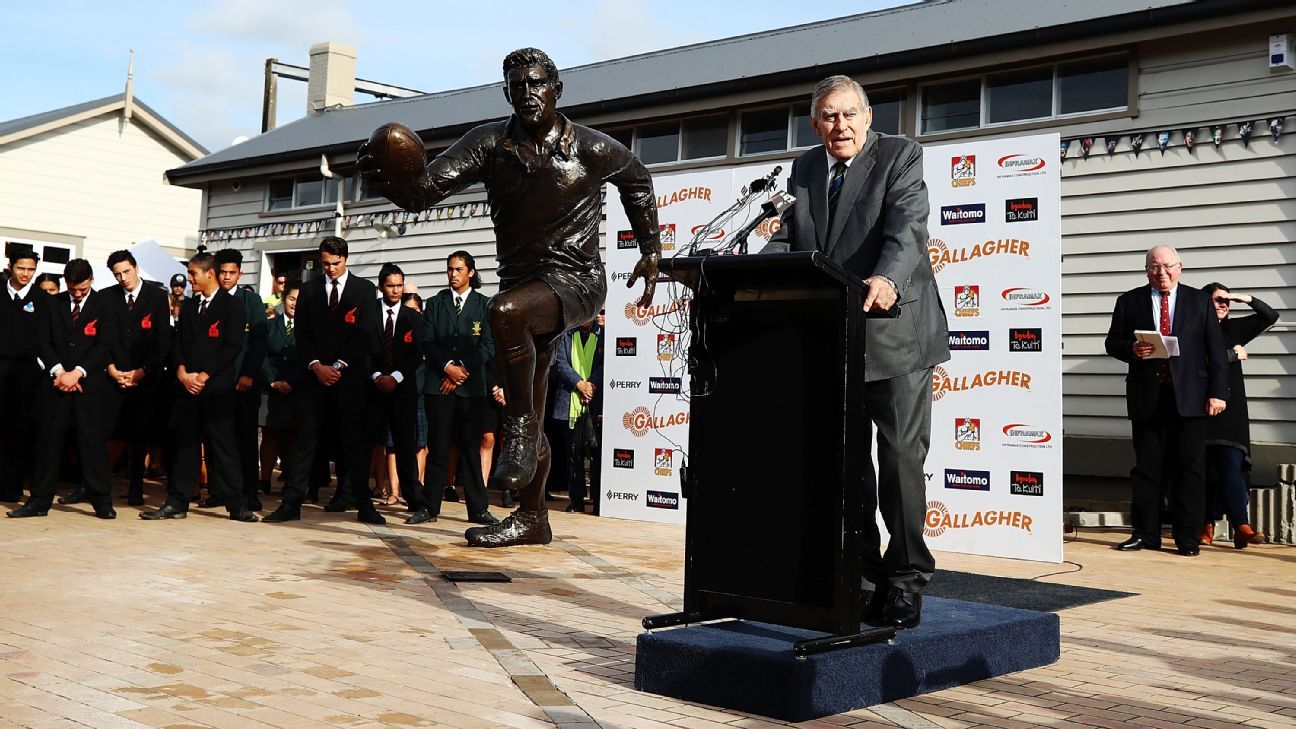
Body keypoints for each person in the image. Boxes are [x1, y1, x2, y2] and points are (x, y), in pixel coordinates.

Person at [360, 47, 660, 546]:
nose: (527, 93)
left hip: (578, 281)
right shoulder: (490, 144)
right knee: (533, 393)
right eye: (517, 86)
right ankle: (533, 516)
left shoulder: (589, 147)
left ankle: (518, 432)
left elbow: (638, 181)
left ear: (556, 89)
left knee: (504, 318)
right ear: (506, 94)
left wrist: (650, 251)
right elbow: (423, 191)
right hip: (526, 294)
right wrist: (386, 176)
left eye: (536, 83)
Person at [761, 75, 950, 630]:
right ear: (815, 122)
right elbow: (793, 238)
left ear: (867, 117)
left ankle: (907, 578)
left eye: (848, 115)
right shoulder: (803, 168)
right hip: (833, 337)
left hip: (895, 335)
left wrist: (887, 278)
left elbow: (907, 230)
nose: (839, 126)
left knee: (897, 464)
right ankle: (862, 575)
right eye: (827, 116)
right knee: (847, 471)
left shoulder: (900, 156)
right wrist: (759, 256)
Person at [1105, 245, 1229, 557]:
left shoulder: (1199, 301)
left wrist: (1218, 393)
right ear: (1146, 270)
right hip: (1148, 396)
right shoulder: (1129, 300)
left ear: (1180, 267)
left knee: (1190, 468)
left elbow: (1216, 351)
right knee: (1147, 469)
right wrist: (1132, 348)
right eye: (1154, 267)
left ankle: (1187, 536)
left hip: (1190, 398)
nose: (1162, 273)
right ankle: (1145, 534)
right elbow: (1112, 342)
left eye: (1167, 267)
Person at [263, 237, 386, 525]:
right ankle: (291, 503)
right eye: (325, 263)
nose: (330, 268)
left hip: (349, 379)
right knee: (306, 442)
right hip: (314, 379)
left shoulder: (364, 290)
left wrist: (339, 365)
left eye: (335, 263)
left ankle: (363, 504)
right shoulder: (309, 289)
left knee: (354, 444)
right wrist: (317, 365)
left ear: (345, 259)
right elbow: (302, 333)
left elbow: (365, 334)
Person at [141, 252, 256, 522]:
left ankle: (237, 504)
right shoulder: (191, 306)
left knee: (223, 447)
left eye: (193, 274)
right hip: (187, 389)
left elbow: (231, 348)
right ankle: (177, 502)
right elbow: (178, 342)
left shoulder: (232, 306)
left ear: (210, 274)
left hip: (216, 390)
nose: (189, 279)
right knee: (183, 447)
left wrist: (204, 375)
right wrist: (182, 371)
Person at [9, 259, 122, 519]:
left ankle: (101, 500)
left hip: (88, 385)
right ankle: (39, 501)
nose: (78, 294)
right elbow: (42, 341)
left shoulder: (106, 305)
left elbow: (105, 344)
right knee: (48, 444)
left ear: (91, 280)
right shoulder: (53, 303)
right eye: (73, 290)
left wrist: (78, 372)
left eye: (82, 289)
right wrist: (59, 371)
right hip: (56, 383)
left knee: (92, 444)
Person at [409, 252, 498, 526]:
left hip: (471, 390)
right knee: (438, 448)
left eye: (459, 269)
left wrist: (461, 372)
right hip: (440, 387)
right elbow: (427, 341)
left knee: (470, 448)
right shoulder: (436, 303)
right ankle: (429, 507)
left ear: (471, 272)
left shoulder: (484, 305)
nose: (453, 274)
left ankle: (478, 509)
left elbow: (487, 345)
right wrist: (447, 367)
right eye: (450, 269)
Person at [1200, 283, 1278, 549]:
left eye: (1226, 301)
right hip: (1200, 407)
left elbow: (1270, 316)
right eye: (1217, 300)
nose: (1222, 304)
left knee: (1231, 465)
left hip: (1231, 411)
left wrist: (1243, 298)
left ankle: (1241, 525)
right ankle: (1205, 524)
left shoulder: (1234, 329)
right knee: (1204, 469)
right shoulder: (1193, 331)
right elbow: (1195, 362)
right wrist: (1232, 354)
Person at [101, 250, 173, 506]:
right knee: (108, 433)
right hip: (114, 376)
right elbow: (102, 338)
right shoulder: (107, 297)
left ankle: (136, 485)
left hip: (145, 377)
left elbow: (163, 340)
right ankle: (97, 485)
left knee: (140, 434)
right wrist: (111, 368)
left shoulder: (156, 297)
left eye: (126, 272)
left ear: (136, 268)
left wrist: (143, 371)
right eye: (117, 274)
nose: (123, 278)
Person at [364, 264, 430, 522]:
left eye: (399, 285)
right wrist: (377, 376)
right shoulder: (368, 314)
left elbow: (416, 354)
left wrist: (397, 377)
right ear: (382, 286)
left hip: (403, 390)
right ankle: (356, 494)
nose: (395, 290)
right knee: (369, 442)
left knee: (405, 445)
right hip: (373, 388)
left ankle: (413, 496)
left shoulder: (413, 318)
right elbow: (362, 350)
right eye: (391, 285)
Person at [213, 249, 270, 511]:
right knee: (217, 440)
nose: (226, 277)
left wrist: (248, 374)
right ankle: (219, 491)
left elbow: (259, 341)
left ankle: (250, 492)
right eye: (222, 272)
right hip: (215, 385)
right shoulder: (210, 300)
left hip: (243, 384)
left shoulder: (251, 301)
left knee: (246, 440)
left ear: (240, 273)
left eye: (231, 272)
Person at [0, 248, 51, 503]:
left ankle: (11, 486)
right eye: (21, 268)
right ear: (10, 266)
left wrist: (42, 364)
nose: (26, 274)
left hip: (26, 372)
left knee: (18, 429)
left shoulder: (43, 300)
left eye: (31, 269)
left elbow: (47, 338)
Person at [550, 315, 604, 514]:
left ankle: (598, 499)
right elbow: (560, 363)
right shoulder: (566, 334)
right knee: (573, 454)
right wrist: (579, 384)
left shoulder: (604, 333)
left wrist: (591, 385)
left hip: (596, 401)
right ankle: (576, 499)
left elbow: (607, 363)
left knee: (597, 453)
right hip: (570, 400)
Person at [259, 281, 303, 496]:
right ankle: (264, 479)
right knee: (270, 435)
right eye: (292, 298)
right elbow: (262, 355)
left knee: (294, 437)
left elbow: (307, 359)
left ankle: (292, 482)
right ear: (284, 300)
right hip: (271, 388)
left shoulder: (307, 329)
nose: (295, 303)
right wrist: (272, 381)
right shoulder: (270, 325)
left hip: (296, 390)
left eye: (299, 300)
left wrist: (292, 383)